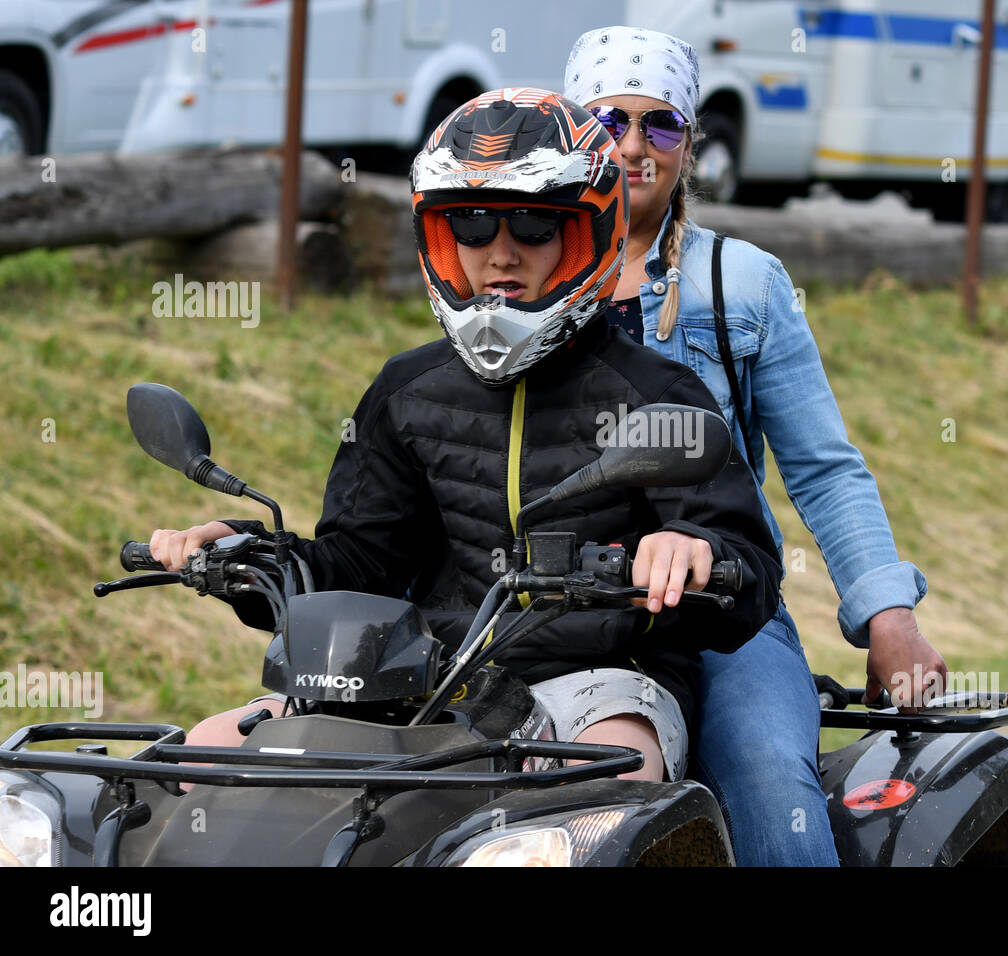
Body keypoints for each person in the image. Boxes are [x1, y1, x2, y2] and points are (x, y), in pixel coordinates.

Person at [148, 88, 782, 784]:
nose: (500, 254)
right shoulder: (407, 389)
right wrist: (248, 555)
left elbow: (748, 571)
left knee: (611, 772)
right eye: (473, 227)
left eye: (535, 227)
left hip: (602, 679)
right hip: (419, 680)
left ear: (587, 233)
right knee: (198, 756)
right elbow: (362, 564)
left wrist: (696, 551)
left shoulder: (658, 395)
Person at [563, 26, 947, 863]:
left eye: (660, 125)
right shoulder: (522, 277)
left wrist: (888, 615)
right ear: (571, 133)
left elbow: (824, 467)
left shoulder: (745, 281)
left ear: (688, 145)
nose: (633, 146)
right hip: (556, 616)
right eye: (607, 121)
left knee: (771, 781)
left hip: (726, 617)